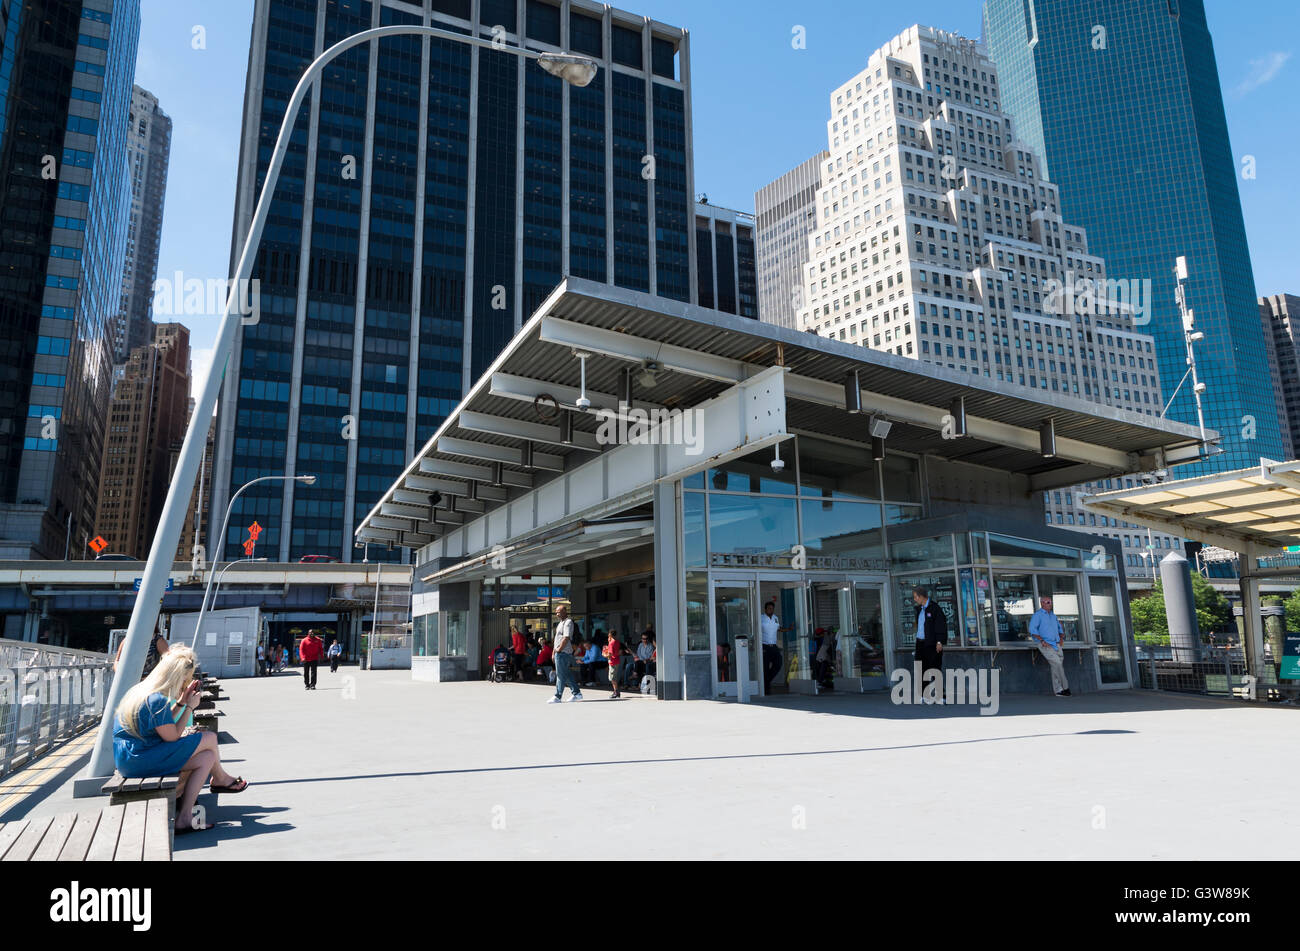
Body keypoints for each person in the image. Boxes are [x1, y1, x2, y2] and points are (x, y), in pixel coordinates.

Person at [113, 646, 248, 834]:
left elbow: (164, 724)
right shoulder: (156, 701)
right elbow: (172, 736)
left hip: (132, 757)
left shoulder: (140, 692)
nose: (184, 686)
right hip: (140, 759)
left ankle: (184, 817)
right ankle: (220, 779)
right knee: (209, 737)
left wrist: (182, 703)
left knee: (207, 757)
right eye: (184, 681)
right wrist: (190, 708)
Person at [1028, 595, 1071, 697]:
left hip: (1057, 645)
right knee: (1058, 665)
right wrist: (1042, 640)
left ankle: (1058, 690)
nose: (1050, 604)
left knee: (1056, 667)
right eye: (1047, 602)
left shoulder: (1053, 615)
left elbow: (1060, 629)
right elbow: (1032, 630)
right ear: (1042, 603)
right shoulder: (1037, 615)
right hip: (1046, 645)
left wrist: (1061, 639)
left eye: (1050, 602)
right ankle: (1066, 688)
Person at [912, 586, 949, 703]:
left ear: (921, 596)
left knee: (934, 669)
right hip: (920, 643)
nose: (914, 599)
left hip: (932, 644)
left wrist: (939, 641)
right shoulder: (919, 609)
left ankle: (941, 696)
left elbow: (940, 626)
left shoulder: (934, 608)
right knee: (921, 669)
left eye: (915, 597)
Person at [547, 606, 583, 703]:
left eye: (558, 612)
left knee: (561, 674)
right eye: (556, 612)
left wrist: (559, 650)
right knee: (565, 673)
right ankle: (577, 693)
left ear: (564, 611)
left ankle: (558, 696)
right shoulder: (560, 623)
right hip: (559, 652)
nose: (557, 614)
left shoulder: (568, 622)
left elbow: (566, 637)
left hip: (563, 653)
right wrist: (554, 652)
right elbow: (557, 640)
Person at [759, 602, 788, 694]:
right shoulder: (761, 618)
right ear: (765, 609)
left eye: (772, 608)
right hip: (764, 645)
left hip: (774, 645)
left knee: (778, 663)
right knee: (765, 668)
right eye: (769, 608)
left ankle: (766, 681)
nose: (770, 610)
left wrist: (788, 629)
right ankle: (766, 689)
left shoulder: (775, 618)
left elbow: (778, 628)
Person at [815, 626, 837, 691]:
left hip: (821, 656)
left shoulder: (823, 638)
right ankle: (820, 682)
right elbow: (828, 650)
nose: (833, 634)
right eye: (833, 632)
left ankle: (821, 681)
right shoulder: (828, 637)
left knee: (822, 669)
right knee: (823, 669)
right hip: (823, 656)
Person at [603, 632, 623, 699]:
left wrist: (604, 655)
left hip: (612, 662)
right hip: (617, 661)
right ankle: (616, 692)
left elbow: (610, 654)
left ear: (610, 635)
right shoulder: (617, 642)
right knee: (614, 677)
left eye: (609, 636)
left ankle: (616, 692)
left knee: (612, 678)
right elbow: (619, 651)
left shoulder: (611, 643)